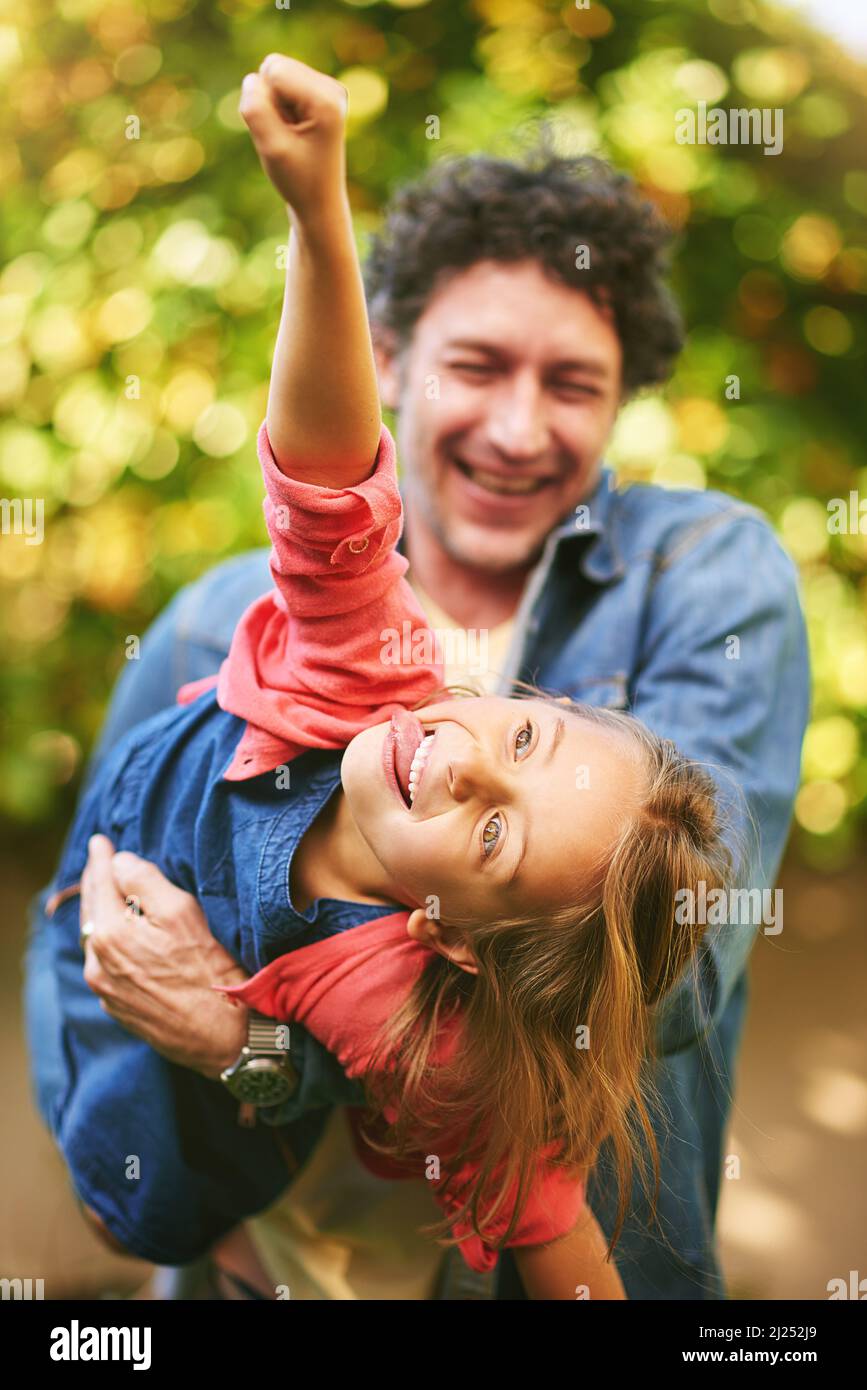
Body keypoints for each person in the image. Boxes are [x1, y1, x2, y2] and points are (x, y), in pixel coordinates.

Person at [23, 51, 810, 1300]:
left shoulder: (706, 576)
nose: (517, 426)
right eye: (479, 366)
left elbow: (665, 976)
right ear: (388, 359)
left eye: (574, 384)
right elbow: (82, 928)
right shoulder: (306, 638)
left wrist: (258, 1049)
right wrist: (316, 214)